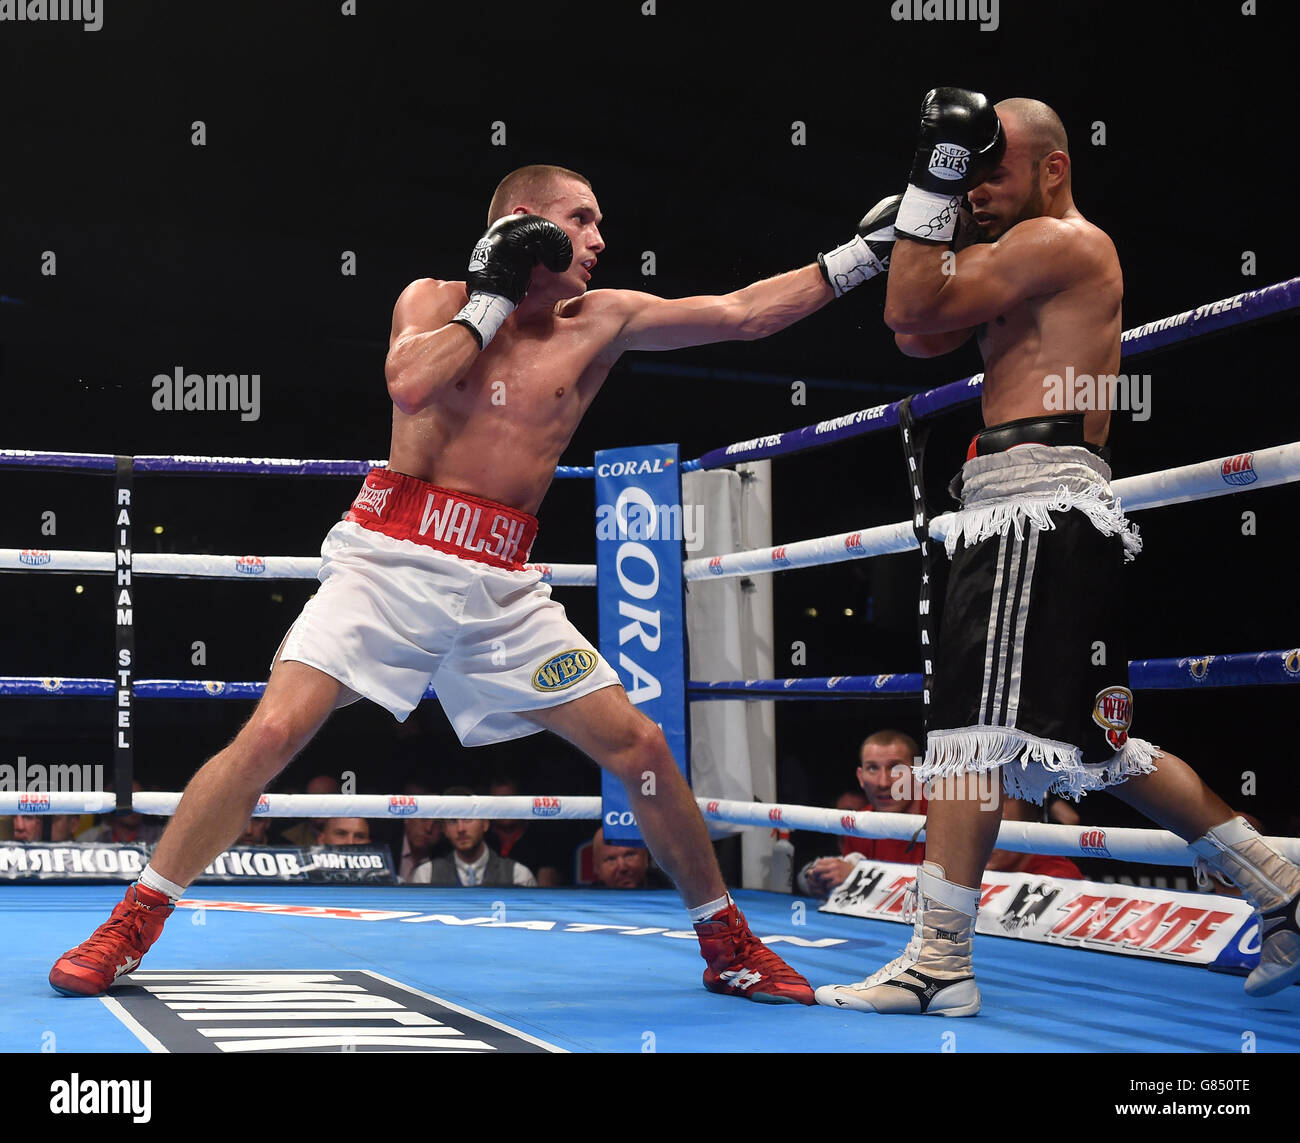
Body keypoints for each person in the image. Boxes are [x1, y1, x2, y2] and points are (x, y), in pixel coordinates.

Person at [50, 163, 898, 1004]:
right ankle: (133, 922)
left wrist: (864, 254)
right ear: (526, 223)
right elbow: (410, 382)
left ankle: (727, 943)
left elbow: (744, 313)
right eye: (582, 219)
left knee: (639, 746)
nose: (601, 239)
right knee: (271, 731)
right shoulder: (432, 299)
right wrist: (490, 296)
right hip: (387, 562)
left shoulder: (601, 320)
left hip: (502, 588)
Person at [816, 90, 1300, 1016]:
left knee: (967, 735)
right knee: (1102, 748)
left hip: (1030, 506)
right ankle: (1283, 888)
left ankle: (938, 959)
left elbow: (908, 302)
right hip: (1038, 506)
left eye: (990, 169)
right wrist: (936, 226)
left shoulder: (1060, 241)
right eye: (967, 169)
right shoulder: (1022, 256)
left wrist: (929, 184)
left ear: (1054, 167)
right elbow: (919, 332)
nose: (976, 188)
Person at [797, 730, 927, 897]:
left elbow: (947, 892)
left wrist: (857, 876)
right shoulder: (857, 824)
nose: (883, 782)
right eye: (872, 768)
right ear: (860, 777)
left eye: (896, 768)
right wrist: (826, 882)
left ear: (919, 773)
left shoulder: (944, 819)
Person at [417, 787, 534, 887]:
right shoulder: (426, 876)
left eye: (468, 818)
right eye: (453, 821)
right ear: (445, 830)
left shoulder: (519, 877)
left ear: (485, 823)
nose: (460, 829)